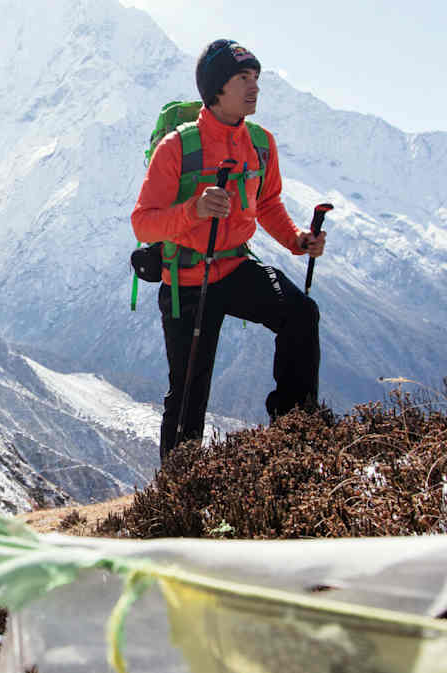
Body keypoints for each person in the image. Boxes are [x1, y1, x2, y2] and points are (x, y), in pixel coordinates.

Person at [131, 38, 327, 458]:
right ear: (217, 86)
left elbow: (268, 202)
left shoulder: (260, 142)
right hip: (185, 279)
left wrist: (296, 241)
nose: (254, 87)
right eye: (243, 78)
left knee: (300, 314)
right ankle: (176, 493)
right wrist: (195, 210)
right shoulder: (177, 148)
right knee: (187, 394)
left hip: (235, 266)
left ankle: (294, 438)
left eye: (256, 77)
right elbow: (142, 221)